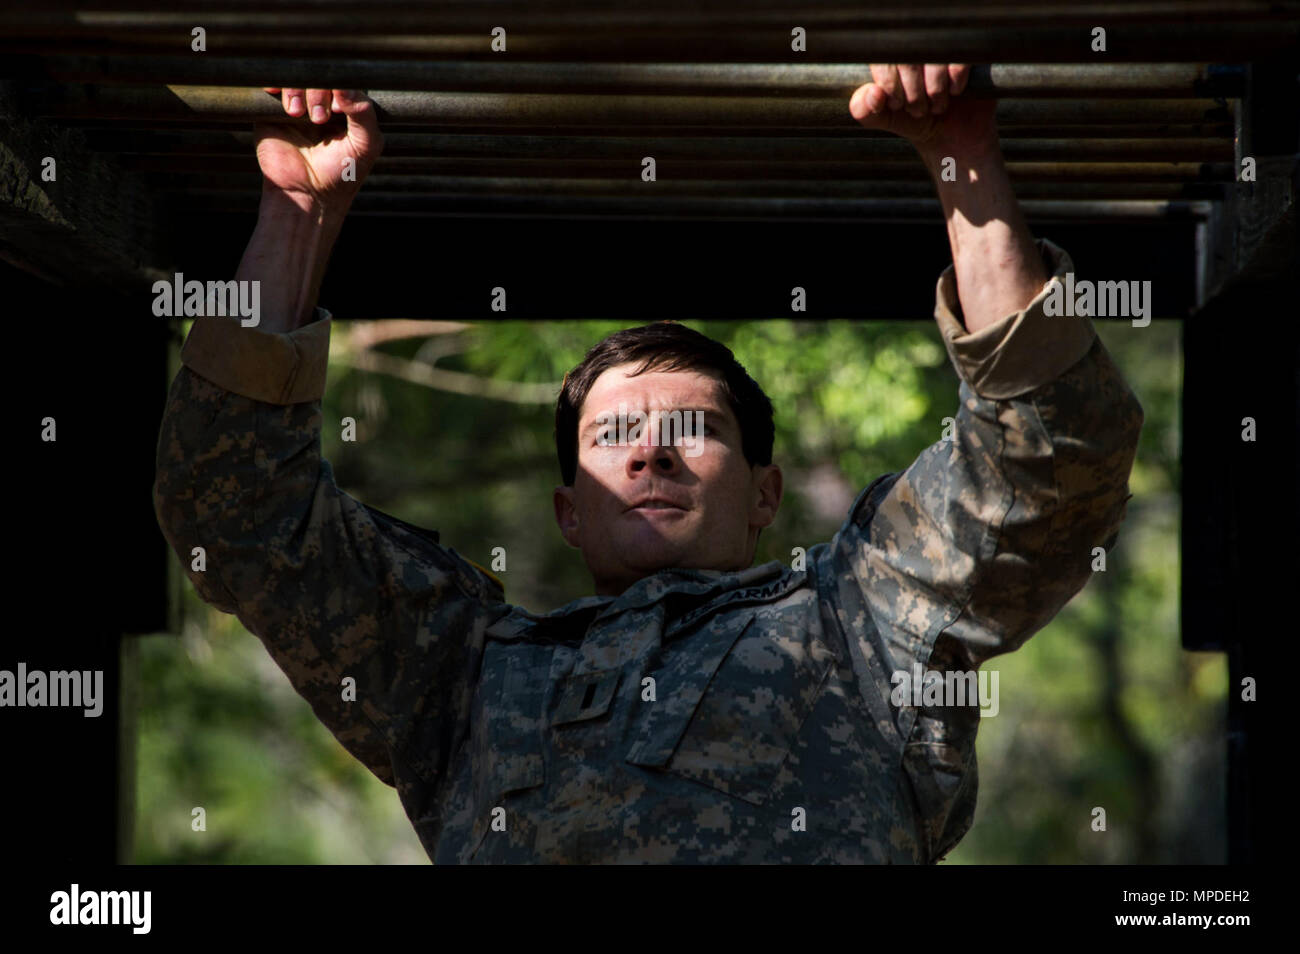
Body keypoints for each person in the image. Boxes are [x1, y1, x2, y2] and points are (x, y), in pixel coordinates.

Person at [153, 65, 1143, 863]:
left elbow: (1044, 465)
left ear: (765, 494)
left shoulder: (866, 621)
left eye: (693, 430)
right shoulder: (456, 675)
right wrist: (297, 215)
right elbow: (237, 516)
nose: (653, 450)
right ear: (566, 510)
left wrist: (963, 156)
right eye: (613, 438)